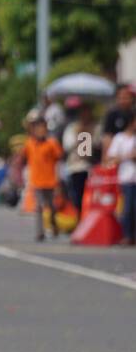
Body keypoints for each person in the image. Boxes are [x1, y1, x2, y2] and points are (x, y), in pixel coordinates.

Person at [23, 116, 65, 241]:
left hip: (50, 180)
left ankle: (54, 225)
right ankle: (40, 232)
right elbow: (25, 158)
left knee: (51, 206)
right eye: (37, 129)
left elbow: (59, 160)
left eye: (42, 128)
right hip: (36, 180)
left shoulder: (51, 143)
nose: (40, 131)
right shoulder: (29, 143)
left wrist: (58, 180)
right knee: (39, 206)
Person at [103, 111, 136, 245]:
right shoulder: (120, 138)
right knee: (128, 209)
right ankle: (127, 235)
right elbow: (110, 158)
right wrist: (128, 156)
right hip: (126, 178)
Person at [61, 100, 95, 211]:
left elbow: (98, 145)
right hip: (76, 167)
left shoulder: (95, 127)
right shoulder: (72, 128)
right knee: (77, 196)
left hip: (91, 167)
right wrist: (79, 136)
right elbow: (67, 146)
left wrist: (90, 134)